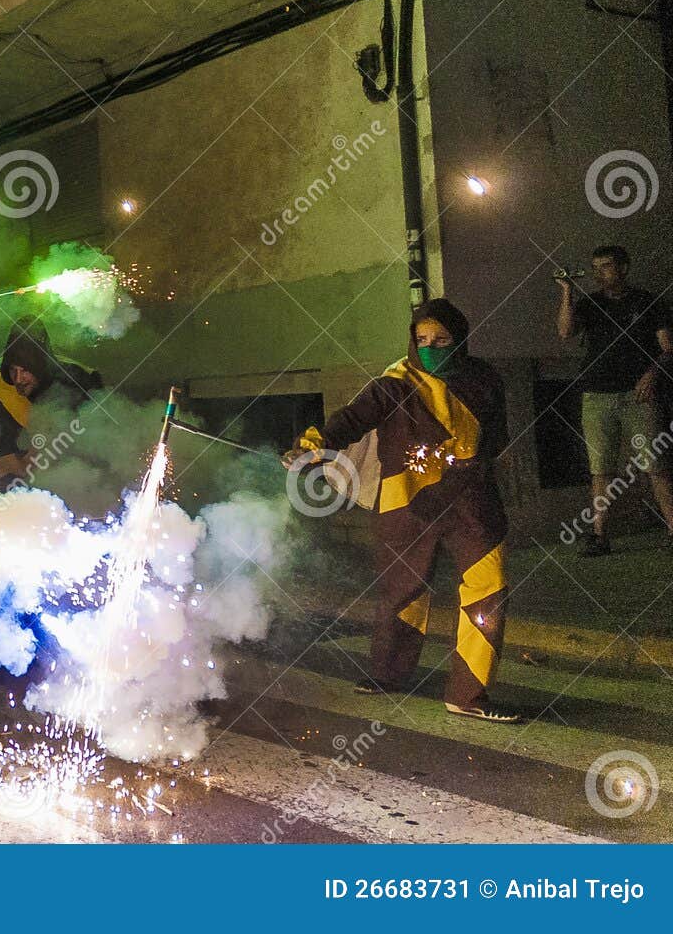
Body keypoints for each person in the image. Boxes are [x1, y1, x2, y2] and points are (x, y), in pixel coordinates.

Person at [286, 298, 518, 722]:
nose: (431, 347)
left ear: (460, 340)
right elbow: (352, 418)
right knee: (403, 590)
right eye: (423, 340)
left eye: (442, 340)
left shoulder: (484, 379)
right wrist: (312, 445)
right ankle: (388, 674)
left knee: (489, 588)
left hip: (472, 502)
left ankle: (469, 695)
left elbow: (497, 433)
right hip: (407, 503)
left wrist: (487, 461)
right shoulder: (394, 383)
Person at [555, 245, 673, 556]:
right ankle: (600, 536)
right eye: (596, 267)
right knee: (601, 468)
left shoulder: (647, 302)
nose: (600, 273)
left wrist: (652, 374)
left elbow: (668, 347)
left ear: (624, 267)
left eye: (606, 266)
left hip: (638, 394)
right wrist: (566, 292)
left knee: (656, 465)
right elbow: (566, 331)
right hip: (597, 394)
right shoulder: (590, 304)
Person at [0, 318, 103, 480]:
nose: (18, 379)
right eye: (13, 370)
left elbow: (93, 440)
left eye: (25, 370)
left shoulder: (78, 382)